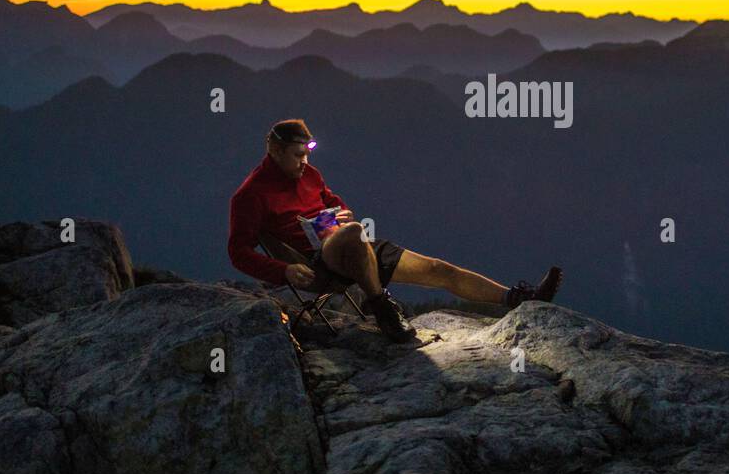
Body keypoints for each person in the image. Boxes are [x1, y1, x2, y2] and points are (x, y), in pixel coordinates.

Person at [228, 118, 563, 342]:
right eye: (298, 155)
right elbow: (238, 252)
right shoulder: (251, 195)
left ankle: (518, 298)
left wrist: (339, 214)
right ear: (275, 151)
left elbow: (334, 202)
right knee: (357, 231)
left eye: (306, 155)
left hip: (349, 246)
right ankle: (381, 306)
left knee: (438, 269)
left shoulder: (309, 175)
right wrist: (283, 270)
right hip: (316, 265)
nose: (304, 163)